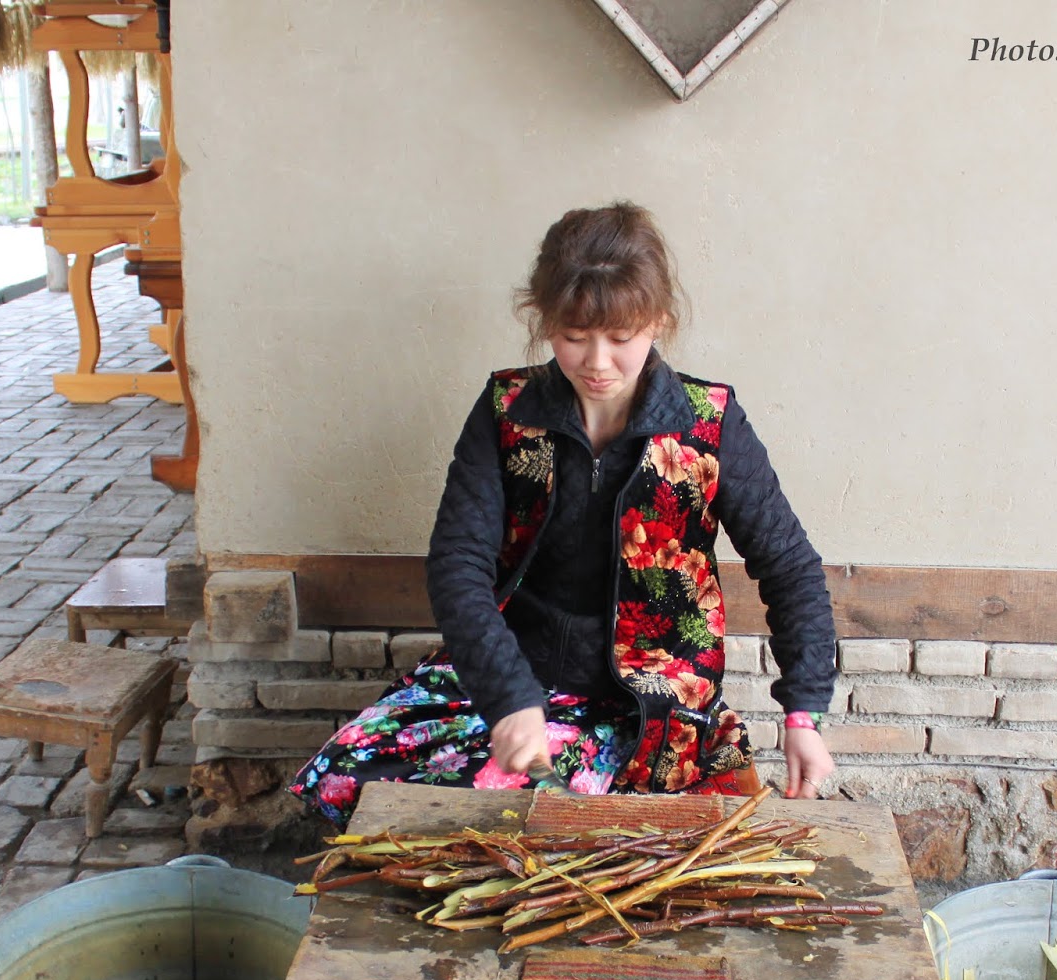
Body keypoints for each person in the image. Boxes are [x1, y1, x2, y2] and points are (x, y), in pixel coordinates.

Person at [291, 202, 837, 828]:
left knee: (543, 822)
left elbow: (790, 567)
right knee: (347, 783)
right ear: (544, 320)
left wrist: (804, 713)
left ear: (657, 320)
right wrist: (509, 697)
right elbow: (458, 564)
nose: (597, 362)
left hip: (649, 699)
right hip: (516, 678)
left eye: (620, 337)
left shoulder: (707, 424)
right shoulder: (509, 410)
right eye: (574, 337)